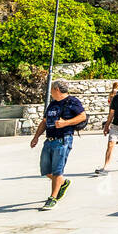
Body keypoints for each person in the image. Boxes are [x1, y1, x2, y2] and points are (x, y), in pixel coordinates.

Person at [30, 80, 87, 209]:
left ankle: (52, 198)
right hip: (49, 140)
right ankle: (63, 183)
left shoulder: (72, 101)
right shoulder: (52, 104)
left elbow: (82, 116)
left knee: (57, 170)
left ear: (56, 89)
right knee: (45, 170)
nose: (50, 92)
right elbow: (44, 122)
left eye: (51, 90)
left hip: (63, 140)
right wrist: (36, 137)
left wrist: (65, 123)